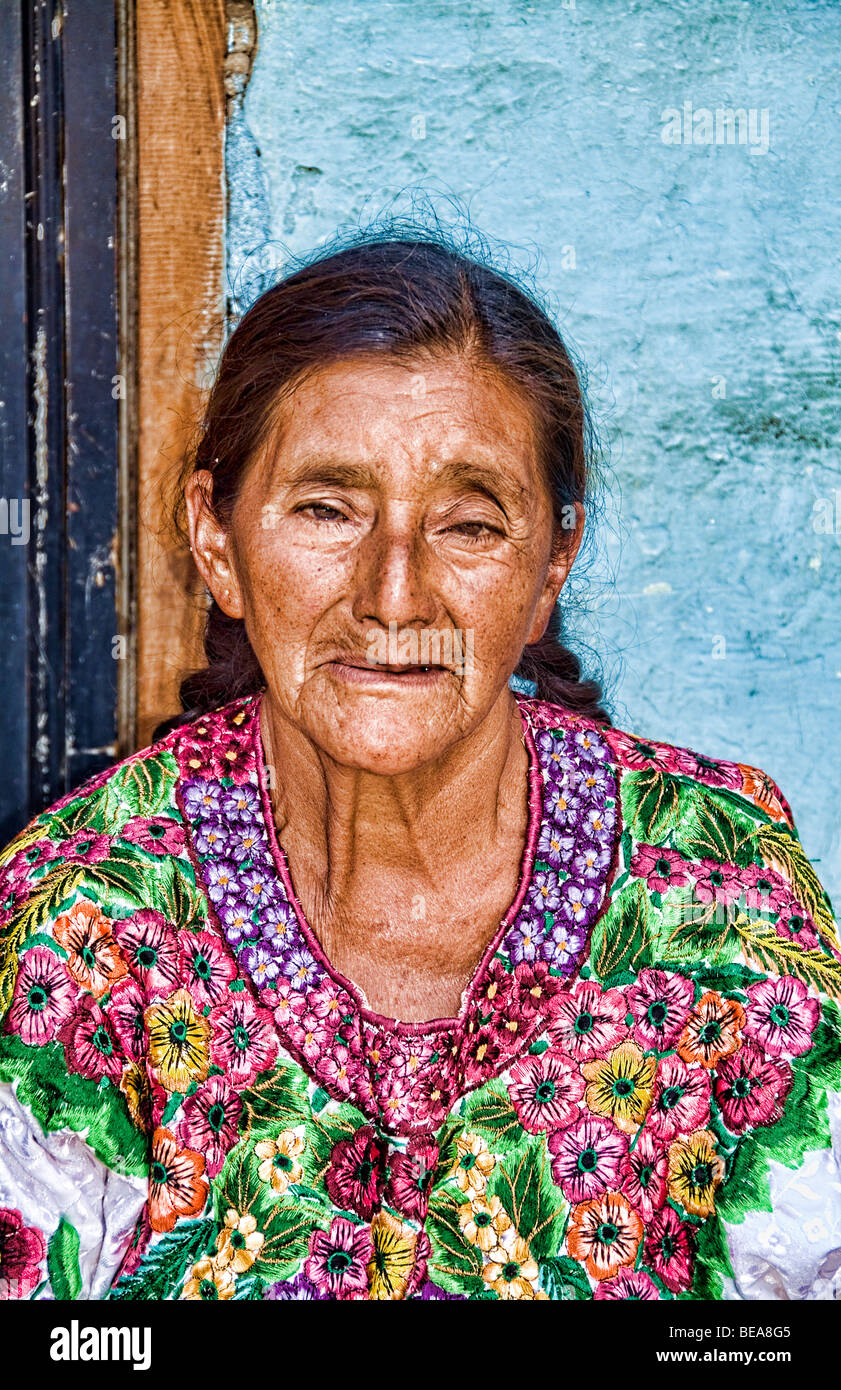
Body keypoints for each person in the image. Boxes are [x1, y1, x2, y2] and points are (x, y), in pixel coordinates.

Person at [0, 235, 838, 1302]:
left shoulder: (713, 885)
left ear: (549, 568)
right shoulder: (88, 920)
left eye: (467, 523)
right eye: (326, 508)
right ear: (217, 542)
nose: (393, 595)